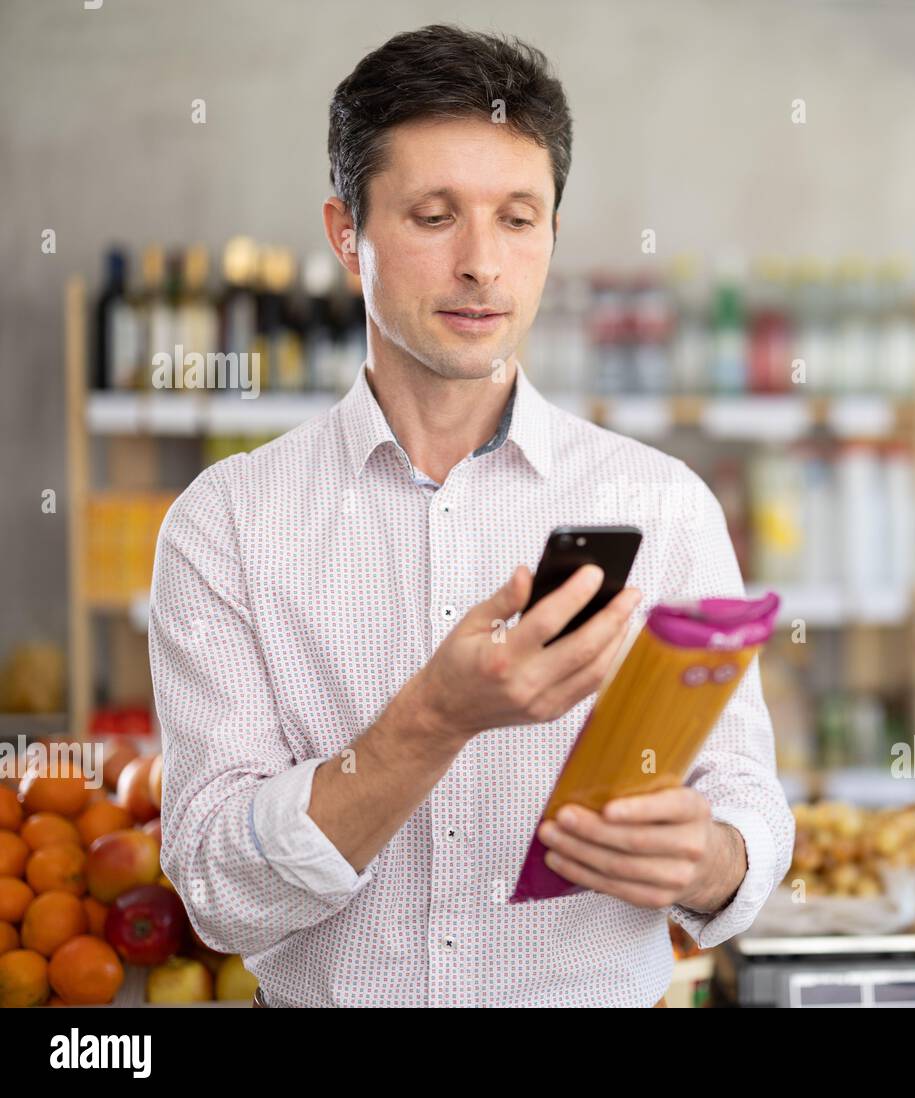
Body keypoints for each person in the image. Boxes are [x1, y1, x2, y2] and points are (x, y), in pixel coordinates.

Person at [149, 23, 793, 1007]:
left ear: (553, 235)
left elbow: (745, 794)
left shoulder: (660, 506)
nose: (482, 265)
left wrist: (708, 860)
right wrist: (433, 721)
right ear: (345, 234)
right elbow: (219, 891)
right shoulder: (225, 526)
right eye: (434, 215)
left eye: (518, 218)